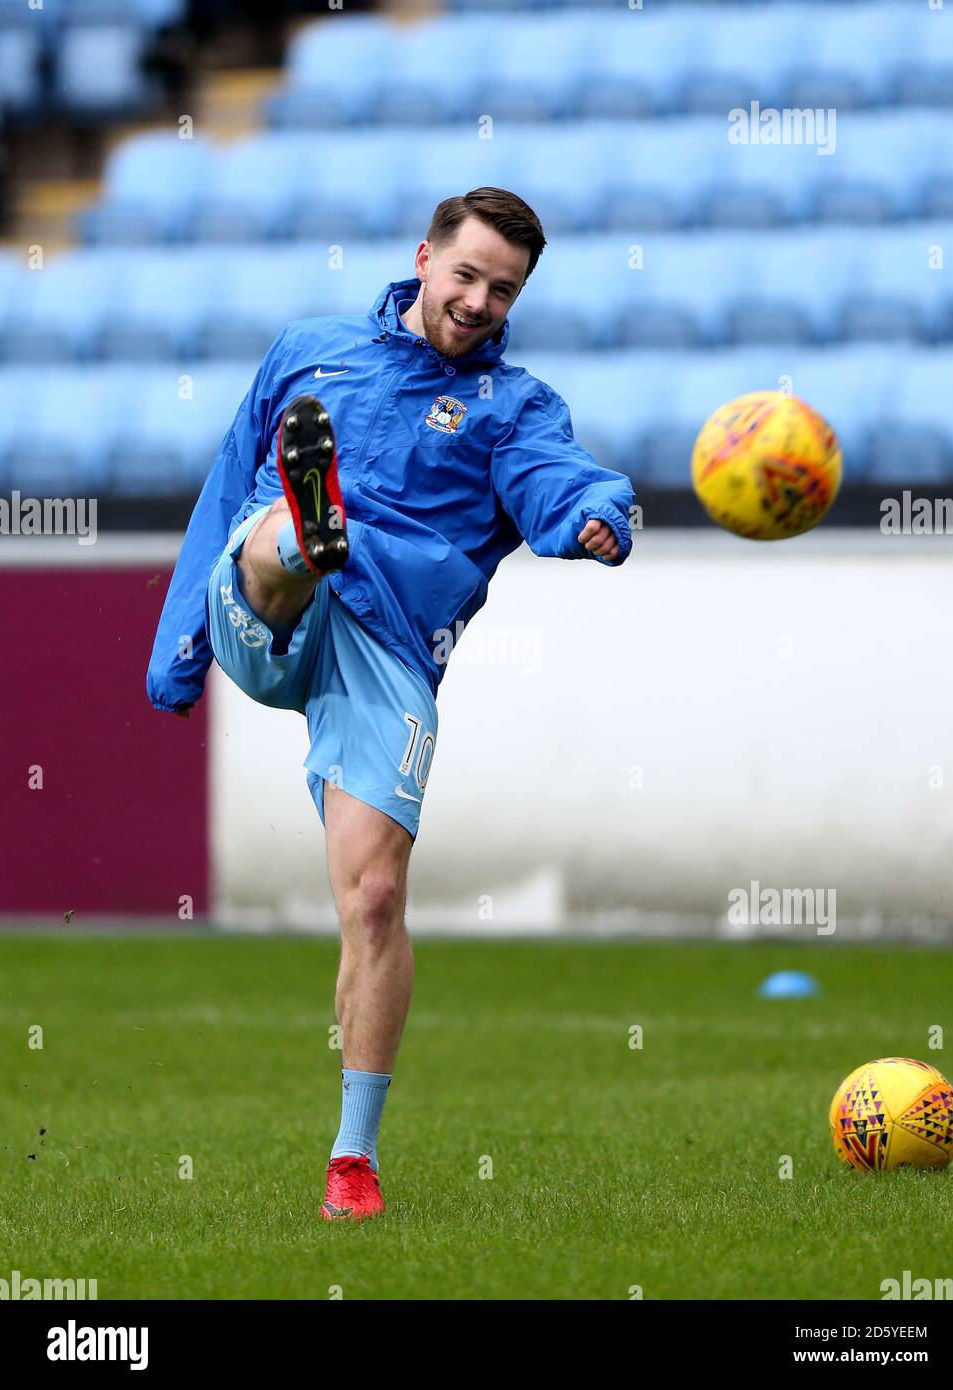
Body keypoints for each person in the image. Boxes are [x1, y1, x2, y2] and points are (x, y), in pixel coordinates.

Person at [146, 186, 635, 1220]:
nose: (478, 302)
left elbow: (562, 479)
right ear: (424, 257)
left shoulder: (516, 408)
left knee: (371, 900)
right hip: (272, 603)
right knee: (278, 525)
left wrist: (596, 511)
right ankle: (308, 532)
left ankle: (352, 1161)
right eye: (465, 275)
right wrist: (180, 645)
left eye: (502, 290)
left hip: (390, 648)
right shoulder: (309, 351)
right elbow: (225, 472)